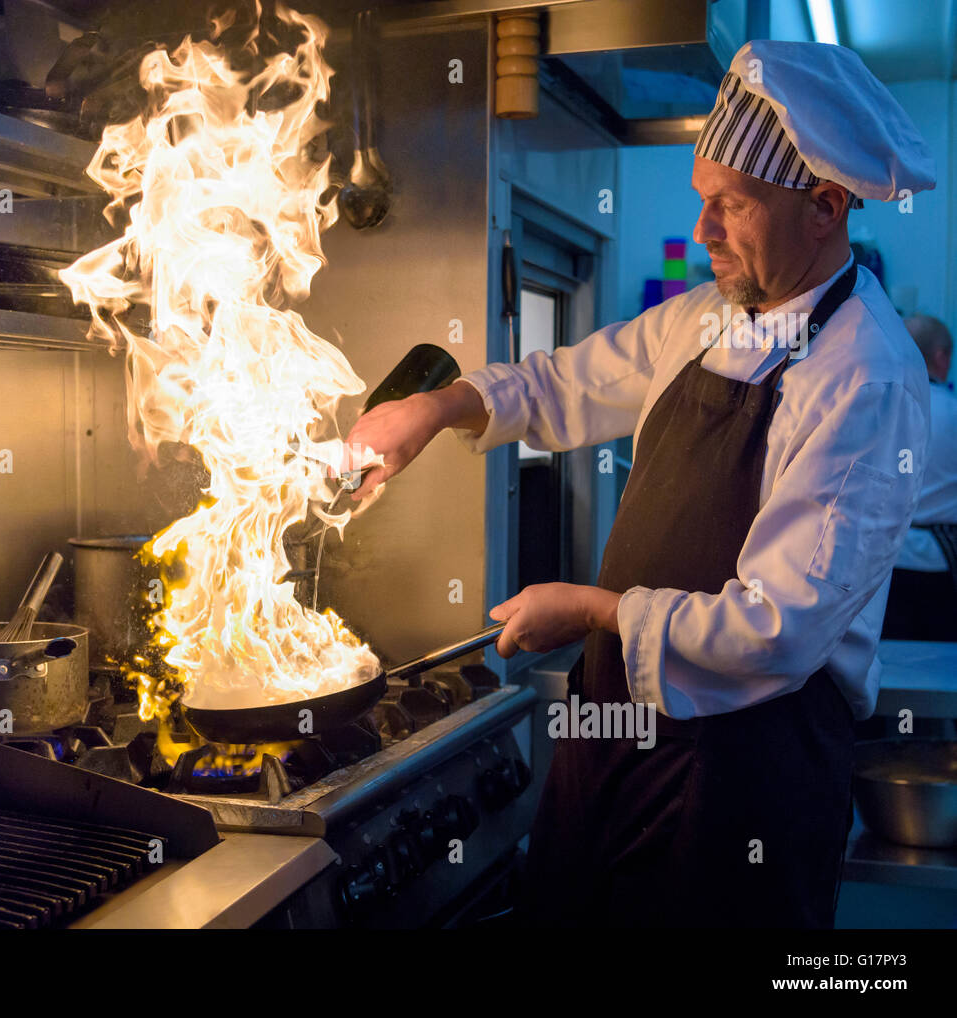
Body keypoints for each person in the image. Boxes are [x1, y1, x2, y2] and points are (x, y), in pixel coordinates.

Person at [342, 39, 935, 928]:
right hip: (616, 739)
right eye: (703, 200)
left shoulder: (867, 375)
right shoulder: (710, 316)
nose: (704, 234)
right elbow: (564, 383)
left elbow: (773, 628)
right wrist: (439, 407)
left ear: (824, 205)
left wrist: (591, 612)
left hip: (747, 777)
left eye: (731, 207)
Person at [881, 315, 957, 640]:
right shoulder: (952, 412)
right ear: (941, 357)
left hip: (880, 561)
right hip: (939, 562)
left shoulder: (875, 409)